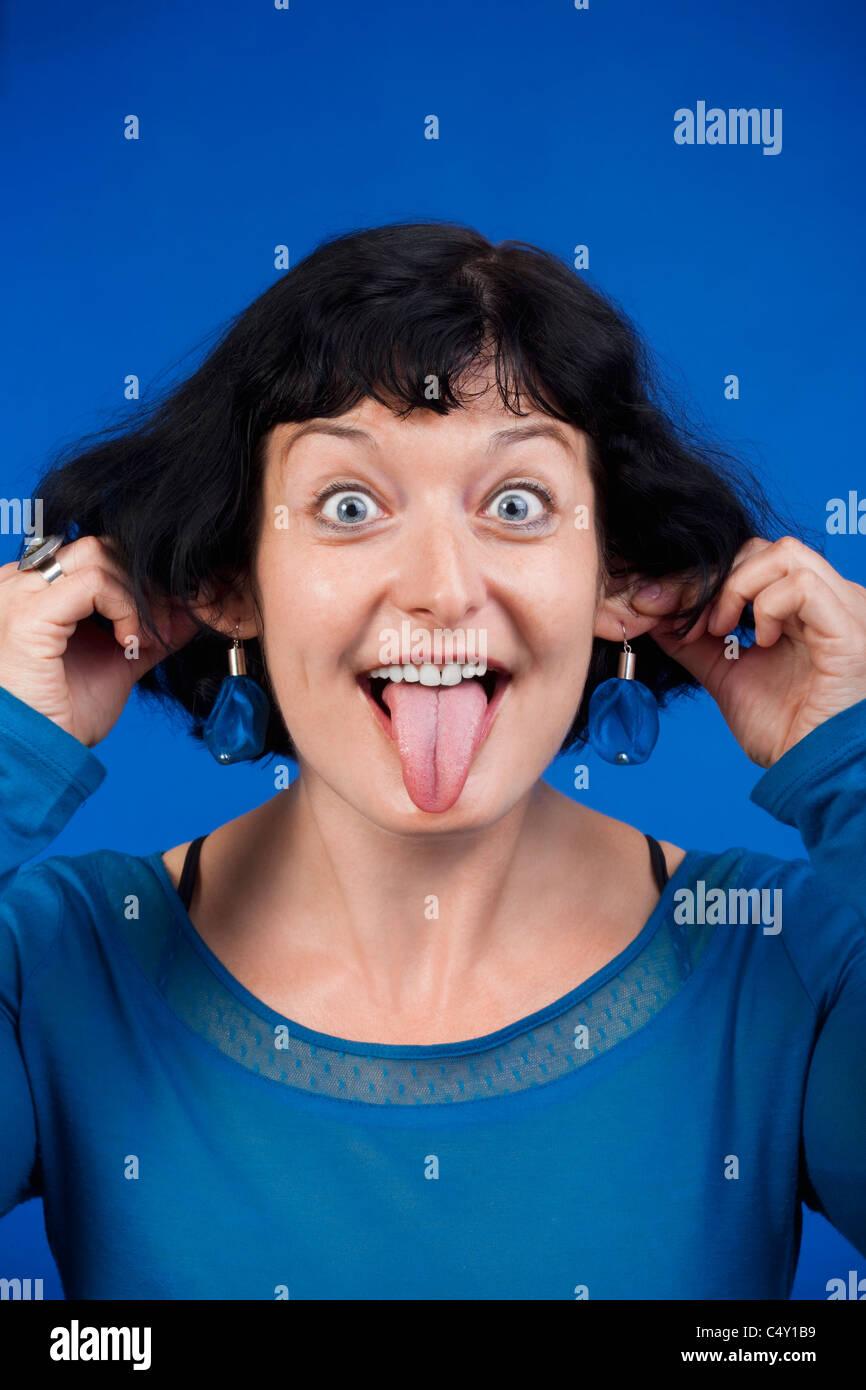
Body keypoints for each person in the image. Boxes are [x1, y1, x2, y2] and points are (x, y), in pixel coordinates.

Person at [1, 222, 864, 1300]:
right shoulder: (56, 967)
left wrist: (853, 756)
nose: (441, 588)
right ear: (230, 581)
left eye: (515, 504)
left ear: (618, 578)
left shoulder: (788, 963)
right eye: (349, 506)